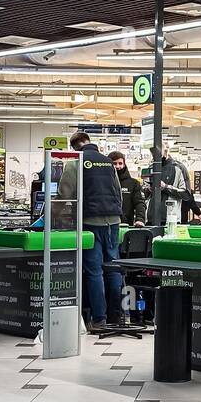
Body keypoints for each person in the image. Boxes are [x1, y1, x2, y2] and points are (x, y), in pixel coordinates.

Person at [60, 131, 124, 333]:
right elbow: (118, 192)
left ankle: (100, 319)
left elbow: (64, 195)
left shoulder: (75, 162)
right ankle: (117, 315)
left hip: (90, 222)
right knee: (113, 267)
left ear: (74, 146)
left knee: (94, 271)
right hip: (113, 221)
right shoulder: (107, 162)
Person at [108, 151, 147, 226]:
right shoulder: (104, 183)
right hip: (107, 224)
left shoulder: (133, 183)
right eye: (114, 163)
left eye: (120, 163)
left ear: (124, 164)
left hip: (126, 225)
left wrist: (140, 219)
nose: (118, 166)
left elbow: (139, 203)